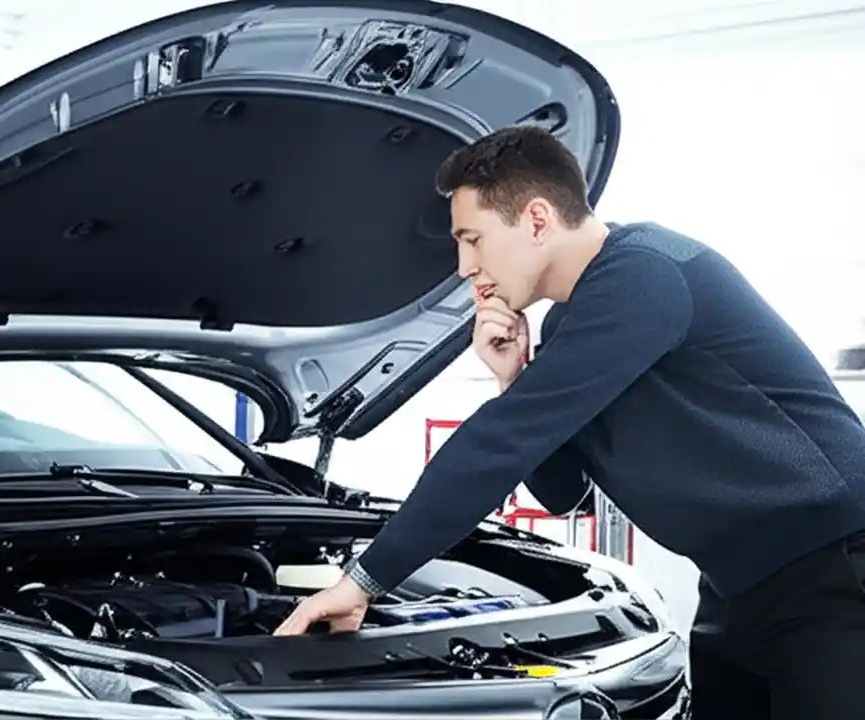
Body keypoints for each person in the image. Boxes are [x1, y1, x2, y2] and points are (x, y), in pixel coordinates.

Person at [271, 125, 865, 719]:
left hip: (834, 571)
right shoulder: (569, 326)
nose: (463, 266)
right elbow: (564, 494)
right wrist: (514, 378)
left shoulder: (647, 275)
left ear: (535, 219)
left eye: (472, 239)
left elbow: (500, 442)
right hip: (738, 587)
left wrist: (363, 581)